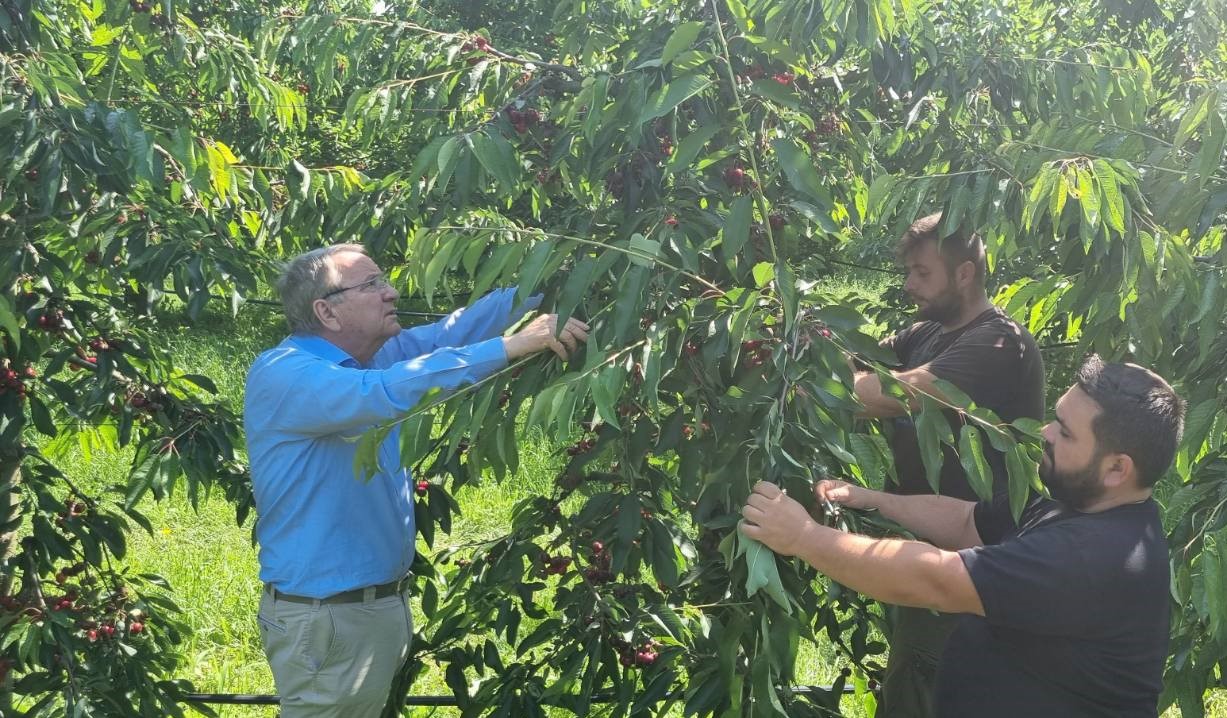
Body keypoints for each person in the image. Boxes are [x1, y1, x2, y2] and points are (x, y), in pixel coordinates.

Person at [243, 243, 588, 717]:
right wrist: (512, 345)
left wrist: (548, 277)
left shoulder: (374, 356)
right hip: (327, 618)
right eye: (372, 285)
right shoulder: (286, 375)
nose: (392, 292)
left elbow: (455, 331)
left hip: (363, 610)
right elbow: (380, 394)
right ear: (327, 311)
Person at [741, 356, 1183, 718]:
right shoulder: (1077, 507)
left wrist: (802, 536)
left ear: (1117, 468)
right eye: (1056, 418)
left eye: (1065, 432)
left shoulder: (1094, 556)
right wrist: (871, 498)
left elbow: (936, 579)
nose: (1045, 432)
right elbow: (968, 521)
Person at [848, 212, 1045, 716]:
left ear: (965, 274)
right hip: (926, 546)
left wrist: (811, 387)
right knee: (911, 679)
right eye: (909, 272)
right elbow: (856, 359)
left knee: (938, 688)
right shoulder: (924, 334)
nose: (910, 285)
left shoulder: (1002, 342)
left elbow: (898, 392)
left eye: (922, 273)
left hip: (978, 558)